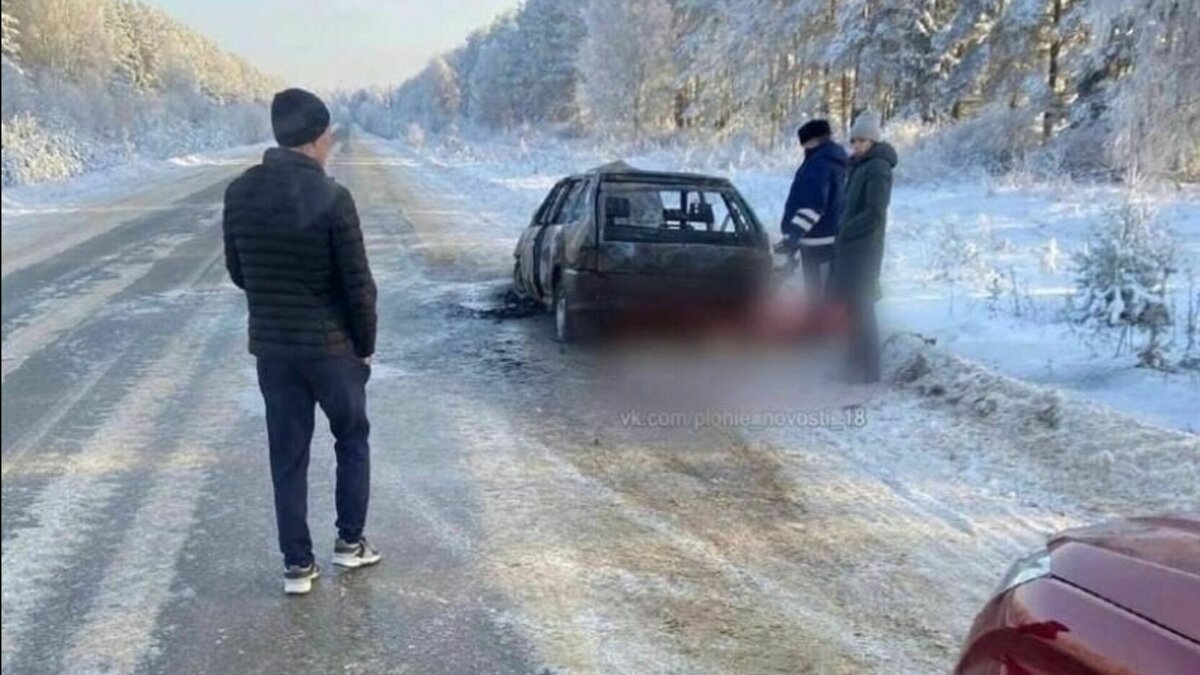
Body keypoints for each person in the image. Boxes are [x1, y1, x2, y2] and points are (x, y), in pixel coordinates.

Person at [223, 88, 381, 594]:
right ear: (315, 138)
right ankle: (350, 544)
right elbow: (358, 285)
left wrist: (274, 299)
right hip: (334, 351)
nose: (332, 140)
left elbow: (237, 271)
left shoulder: (239, 193)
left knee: (287, 455)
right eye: (328, 131)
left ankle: (297, 565)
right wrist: (365, 343)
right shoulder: (334, 199)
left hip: (275, 352)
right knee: (351, 439)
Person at [830, 111, 897, 384]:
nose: (855, 145)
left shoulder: (877, 168)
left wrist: (846, 230)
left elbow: (875, 213)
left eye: (861, 141)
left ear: (872, 141)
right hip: (850, 249)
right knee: (851, 309)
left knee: (862, 308)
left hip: (863, 250)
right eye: (853, 140)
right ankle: (853, 365)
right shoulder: (858, 166)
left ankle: (868, 371)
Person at [776, 119, 848, 297]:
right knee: (822, 292)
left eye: (805, 143)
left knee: (817, 295)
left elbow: (814, 205)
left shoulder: (819, 164)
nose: (804, 148)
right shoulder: (833, 161)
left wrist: (794, 234)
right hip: (828, 238)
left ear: (814, 140)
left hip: (816, 241)